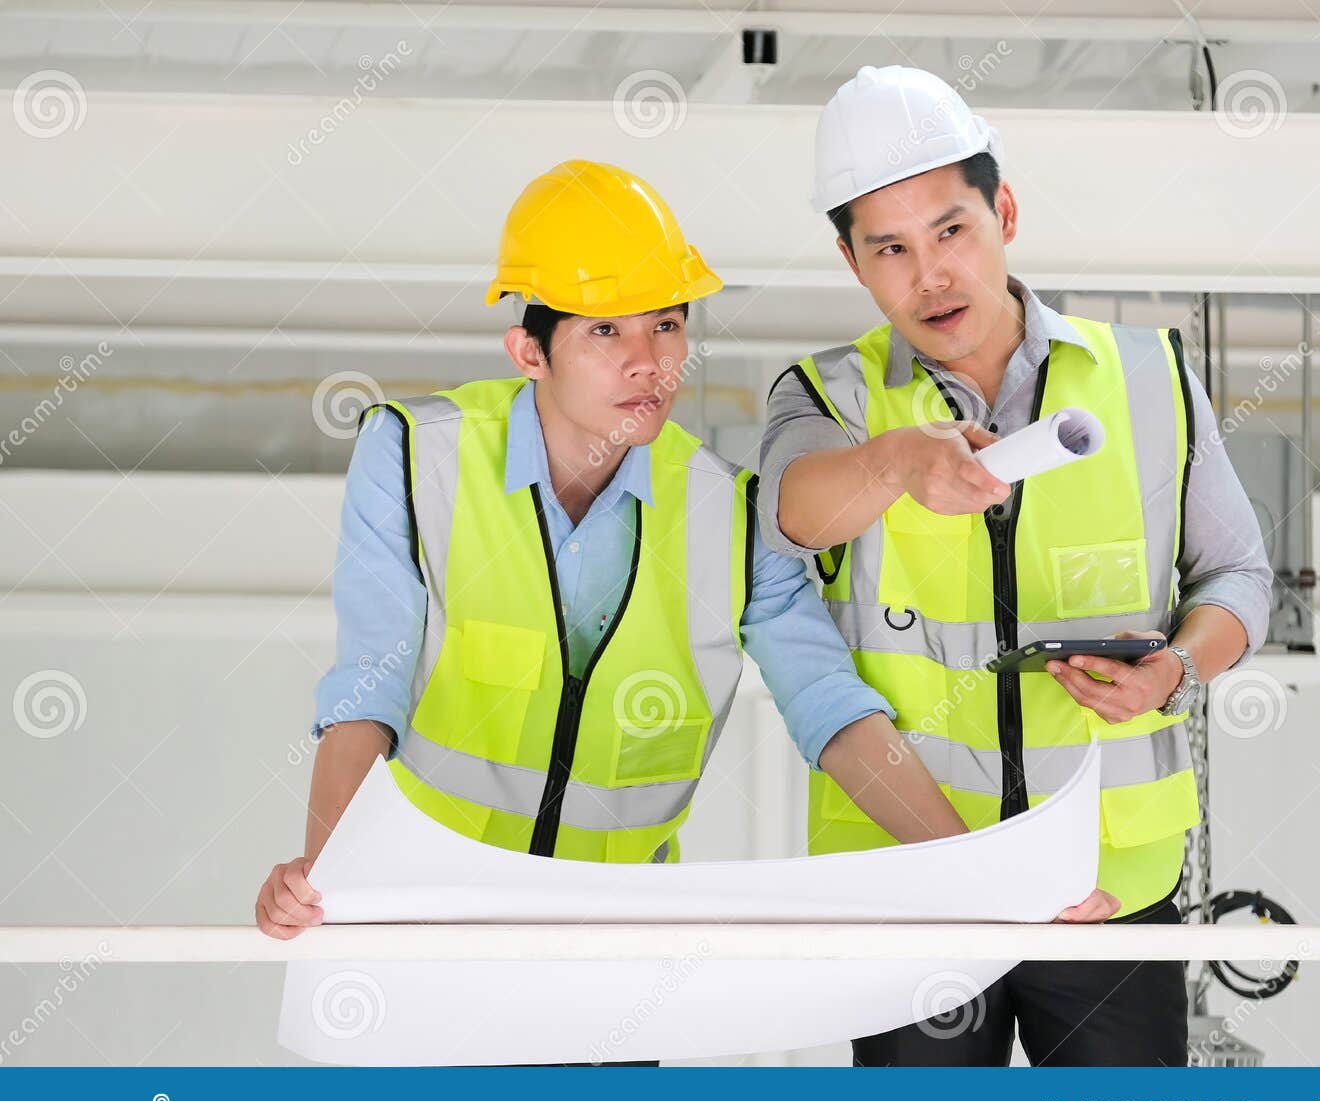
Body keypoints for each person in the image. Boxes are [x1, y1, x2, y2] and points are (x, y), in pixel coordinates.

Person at [255, 159, 970, 972]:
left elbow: (832, 710)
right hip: (427, 936)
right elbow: (367, 686)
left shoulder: (730, 514)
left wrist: (973, 877)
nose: (648, 362)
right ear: (528, 350)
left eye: (666, 325)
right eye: (607, 330)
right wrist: (329, 878)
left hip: (616, 963)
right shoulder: (417, 457)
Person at [759, 67, 1274, 1066]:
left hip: (1107, 885)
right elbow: (788, 513)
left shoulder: (1147, 377)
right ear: (851, 261)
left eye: (950, 230)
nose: (929, 275)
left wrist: (1174, 667)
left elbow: (1237, 576)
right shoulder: (827, 394)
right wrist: (898, 462)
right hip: (913, 885)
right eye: (890, 249)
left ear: (1003, 210)